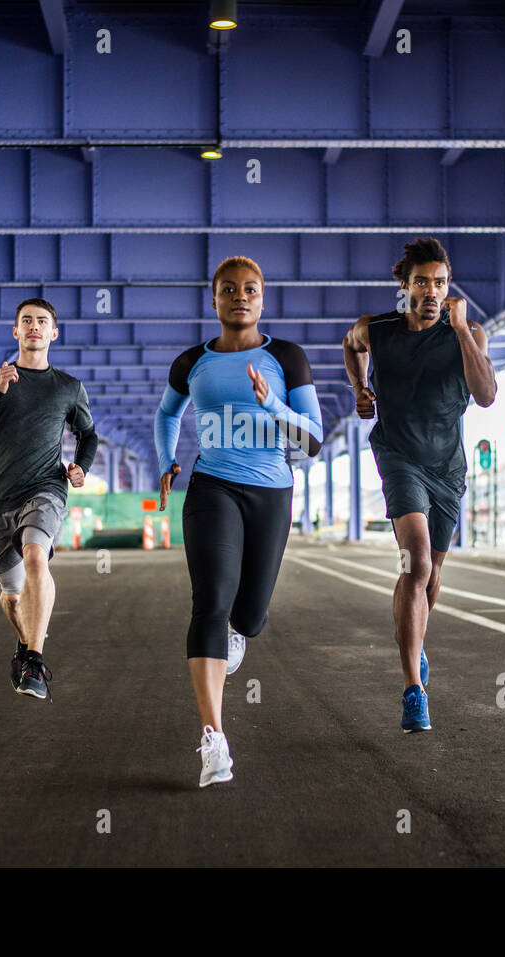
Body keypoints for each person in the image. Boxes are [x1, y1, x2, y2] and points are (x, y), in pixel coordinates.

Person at [155, 256, 323, 787]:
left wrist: (272, 403)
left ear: (262, 299)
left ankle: (239, 630)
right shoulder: (191, 363)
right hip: (211, 488)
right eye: (229, 289)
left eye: (250, 289)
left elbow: (312, 441)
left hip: (271, 491)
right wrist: (167, 461)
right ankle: (214, 740)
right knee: (210, 603)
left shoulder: (288, 358)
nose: (240, 297)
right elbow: (166, 415)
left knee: (248, 615)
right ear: (214, 300)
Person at [342, 237, 497, 733]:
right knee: (417, 560)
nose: (432, 291)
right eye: (422, 282)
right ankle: (414, 689)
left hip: (448, 469)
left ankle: (416, 642)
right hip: (399, 456)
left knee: (430, 578)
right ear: (404, 286)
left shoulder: (467, 333)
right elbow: (349, 345)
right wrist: (359, 388)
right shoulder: (378, 329)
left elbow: (487, 395)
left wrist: (461, 332)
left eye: (441, 283)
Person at [0, 298, 97, 701]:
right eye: (26, 321)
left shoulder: (68, 388)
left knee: (36, 556)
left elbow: (89, 435)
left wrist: (81, 467)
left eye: (42, 321)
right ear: (15, 332)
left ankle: (34, 659)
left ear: (54, 332)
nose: (34, 326)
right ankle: (25, 642)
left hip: (46, 488)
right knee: (13, 597)